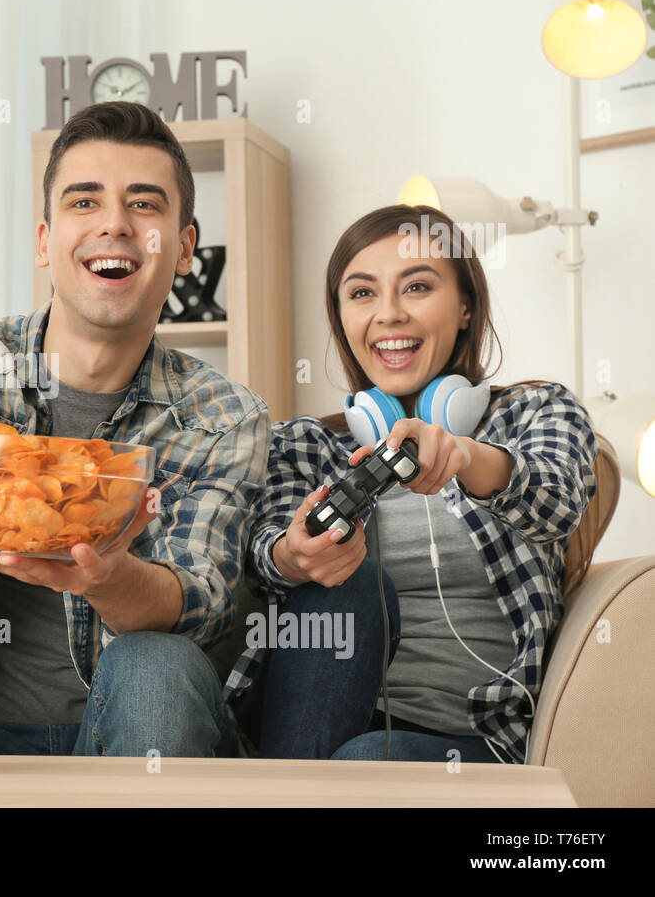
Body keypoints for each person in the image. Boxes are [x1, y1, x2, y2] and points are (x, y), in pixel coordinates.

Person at [0, 101, 270, 758]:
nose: (114, 223)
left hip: (126, 727)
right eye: (84, 202)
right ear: (43, 240)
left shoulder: (224, 416)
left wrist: (105, 576)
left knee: (158, 666)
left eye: (144, 205)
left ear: (183, 249)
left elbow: (201, 602)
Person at [228, 204, 597, 764]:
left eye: (417, 287)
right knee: (347, 586)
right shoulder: (305, 444)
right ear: (342, 319)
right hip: (318, 721)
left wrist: (468, 458)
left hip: (476, 740)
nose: (389, 314)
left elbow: (558, 504)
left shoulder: (536, 412)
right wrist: (294, 554)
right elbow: (263, 551)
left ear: (466, 306)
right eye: (362, 294)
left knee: (368, 760)